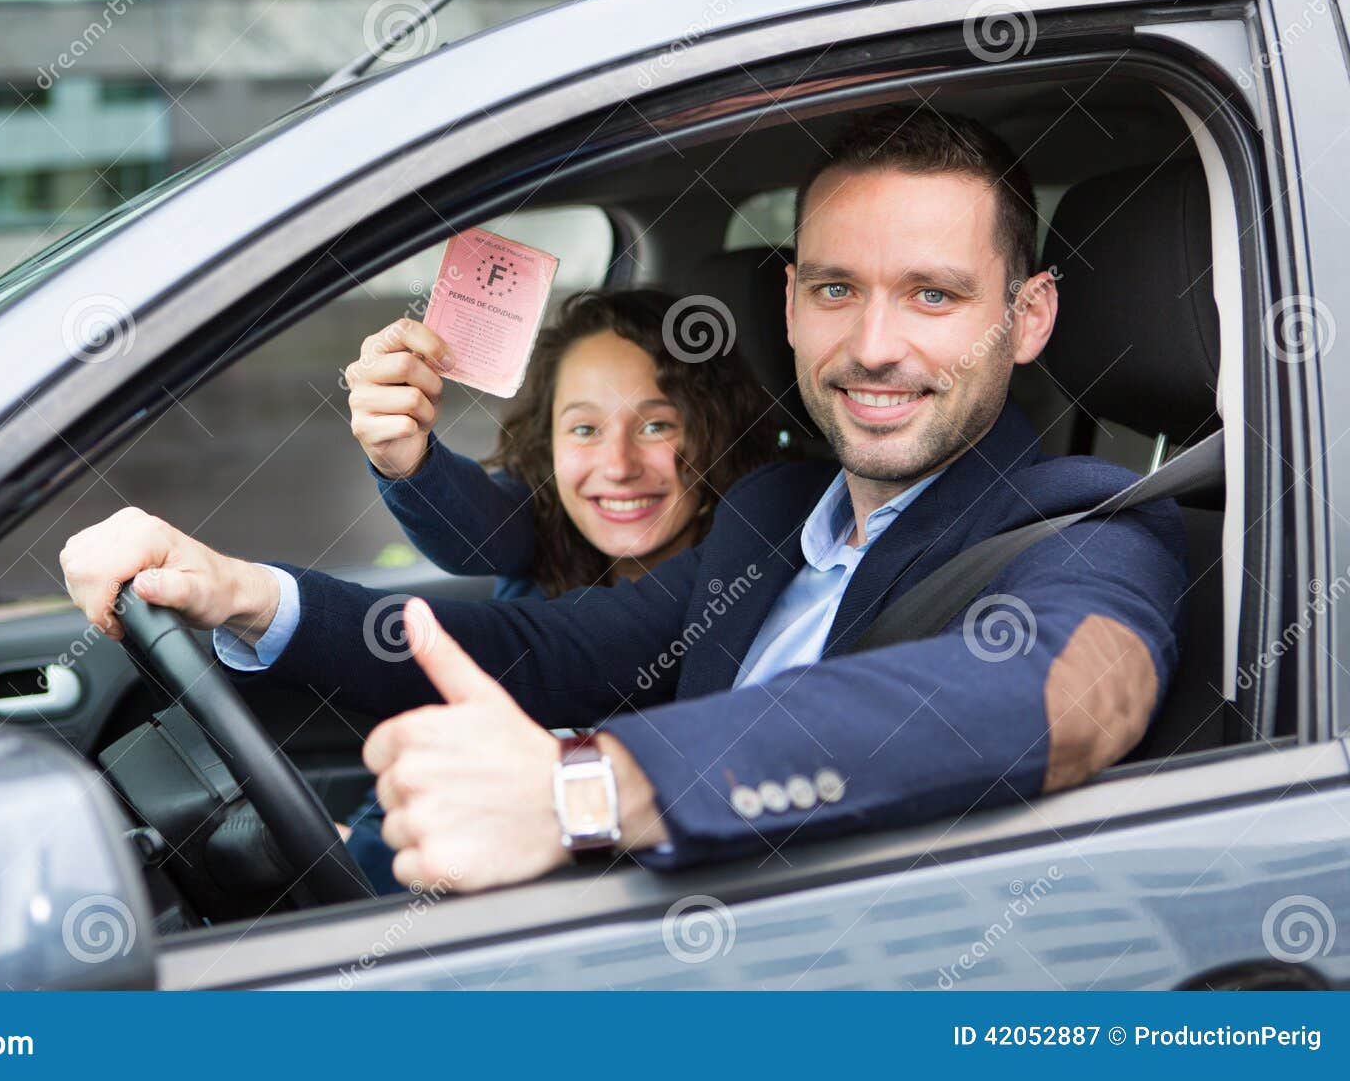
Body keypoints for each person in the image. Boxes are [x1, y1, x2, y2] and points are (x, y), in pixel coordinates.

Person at [59, 106, 1188, 895]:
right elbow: (538, 649)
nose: (874, 345)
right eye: (838, 288)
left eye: (934, 295)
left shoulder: (1089, 527)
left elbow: (1056, 696)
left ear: (1029, 316)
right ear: (790, 304)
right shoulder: (768, 517)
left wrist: (583, 791)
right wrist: (244, 593)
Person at [338, 290, 780, 887]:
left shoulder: (741, 578)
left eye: (656, 424)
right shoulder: (542, 531)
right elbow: (475, 522)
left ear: (714, 436)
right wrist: (408, 461)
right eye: (585, 428)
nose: (618, 465)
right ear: (547, 445)